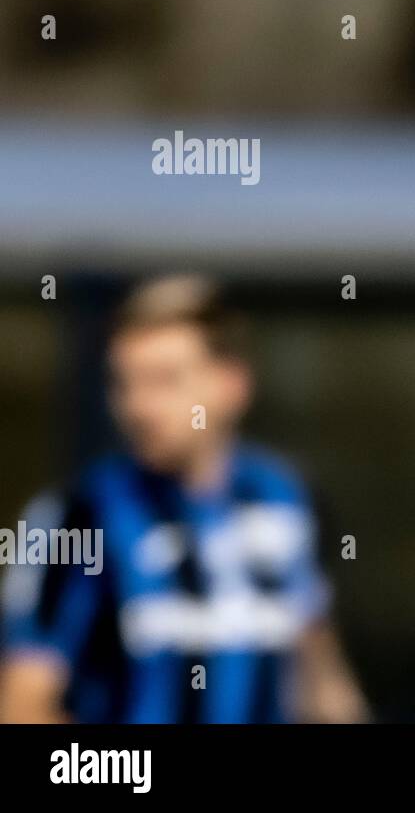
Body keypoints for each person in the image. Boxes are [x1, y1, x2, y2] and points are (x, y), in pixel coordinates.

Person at [0, 275, 367, 723]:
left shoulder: (287, 498)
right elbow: (23, 706)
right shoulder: (76, 516)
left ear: (232, 384)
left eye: (165, 380)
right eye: (125, 383)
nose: (139, 407)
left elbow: (320, 677)